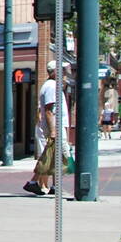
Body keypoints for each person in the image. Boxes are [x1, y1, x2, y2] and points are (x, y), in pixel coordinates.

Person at [24, 63, 72, 196]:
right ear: (55, 71)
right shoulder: (51, 86)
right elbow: (49, 110)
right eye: (62, 70)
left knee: (54, 156)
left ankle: (49, 185)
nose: (65, 73)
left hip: (56, 126)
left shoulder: (53, 86)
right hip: (55, 127)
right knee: (59, 155)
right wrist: (53, 130)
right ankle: (36, 183)